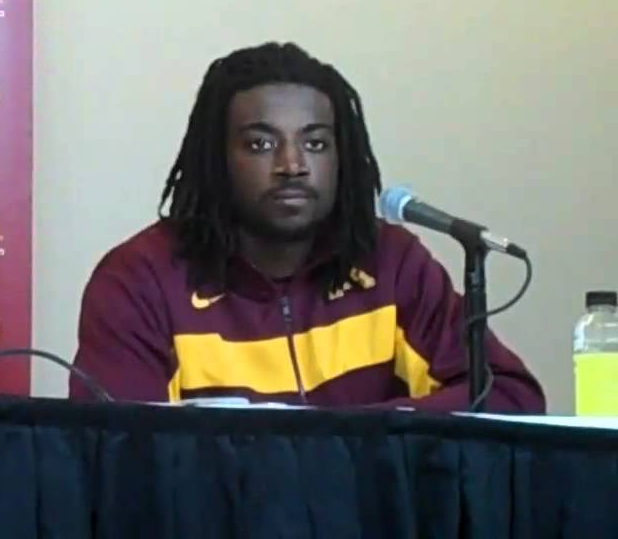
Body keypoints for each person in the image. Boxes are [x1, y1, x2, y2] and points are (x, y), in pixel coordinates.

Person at [69, 42, 545, 411]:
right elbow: (119, 452)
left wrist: (337, 440)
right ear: (217, 158)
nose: (292, 165)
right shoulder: (141, 280)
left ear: (342, 156)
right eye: (260, 145)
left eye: (315, 144)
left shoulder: (391, 263)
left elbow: (509, 398)